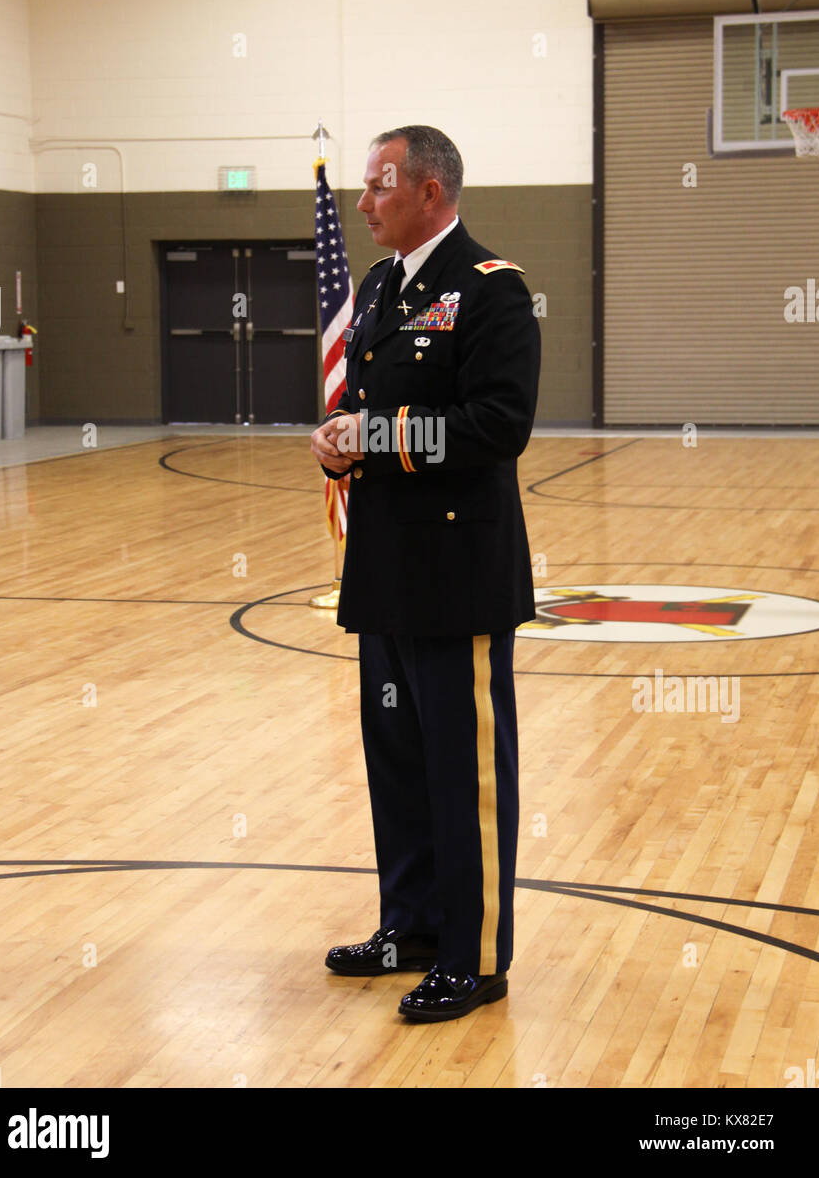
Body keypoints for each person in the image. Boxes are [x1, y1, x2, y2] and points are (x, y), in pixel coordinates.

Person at [310, 125, 540, 1022]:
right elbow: (363, 401)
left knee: (463, 769)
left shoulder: (491, 291)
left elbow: (498, 426)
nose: (362, 203)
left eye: (378, 186)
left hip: (457, 573)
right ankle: (410, 926)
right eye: (364, 188)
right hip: (386, 570)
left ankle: (476, 957)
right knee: (398, 761)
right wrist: (338, 442)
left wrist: (381, 438)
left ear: (432, 191)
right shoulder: (379, 285)